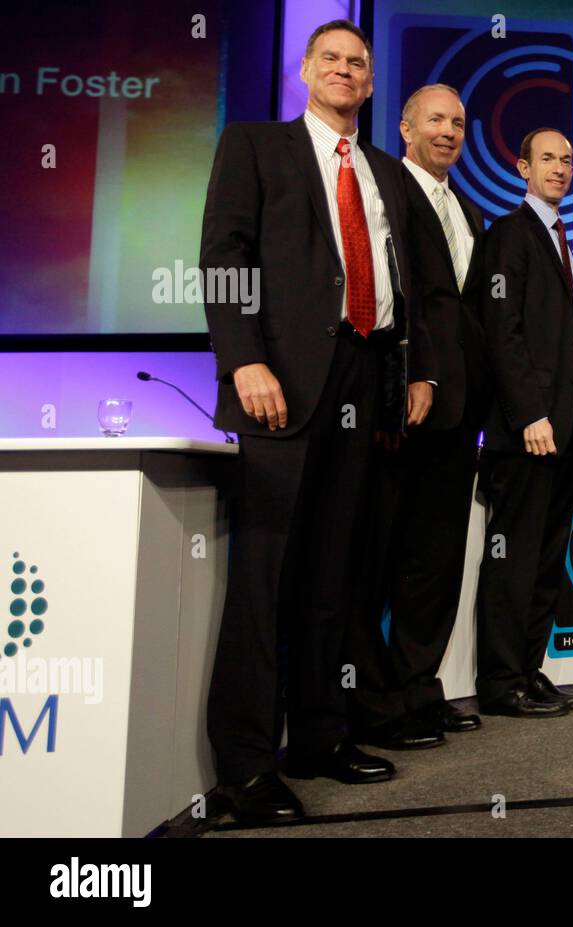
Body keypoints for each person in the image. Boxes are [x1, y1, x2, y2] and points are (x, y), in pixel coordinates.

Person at [200, 20, 427, 824]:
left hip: (364, 385)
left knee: (335, 577)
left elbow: (403, 287)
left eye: (357, 63)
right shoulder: (255, 146)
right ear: (305, 71)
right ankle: (246, 767)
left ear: (370, 83)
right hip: (280, 386)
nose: (344, 70)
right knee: (265, 585)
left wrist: (408, 377)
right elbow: (224, 256)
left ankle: (321, 736)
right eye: (329, 58)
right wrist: (243, 359)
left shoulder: (384, 172)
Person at [346, 83, 486, 749]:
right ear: (406, 127)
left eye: (458, 122)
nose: (449, 131)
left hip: (460, 414)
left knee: (435, 561)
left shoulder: (468, 208)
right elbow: (393, 296)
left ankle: (417, 688)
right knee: (381, 555)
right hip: (403, 403)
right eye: (436, 119)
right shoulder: (384, 189)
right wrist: (412, 375)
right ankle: (372, 703)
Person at [475, 128, 573, 717]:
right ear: (523, 167)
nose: (559, 168)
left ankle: (529, 669)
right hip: (528, 433)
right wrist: (530, 414)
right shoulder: (509, 235)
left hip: (565, 434)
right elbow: (502, 334)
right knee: (513, 559)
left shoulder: (562, 241)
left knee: (547, 557)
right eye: (548, 158)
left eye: (567, 160)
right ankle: (500, 682)